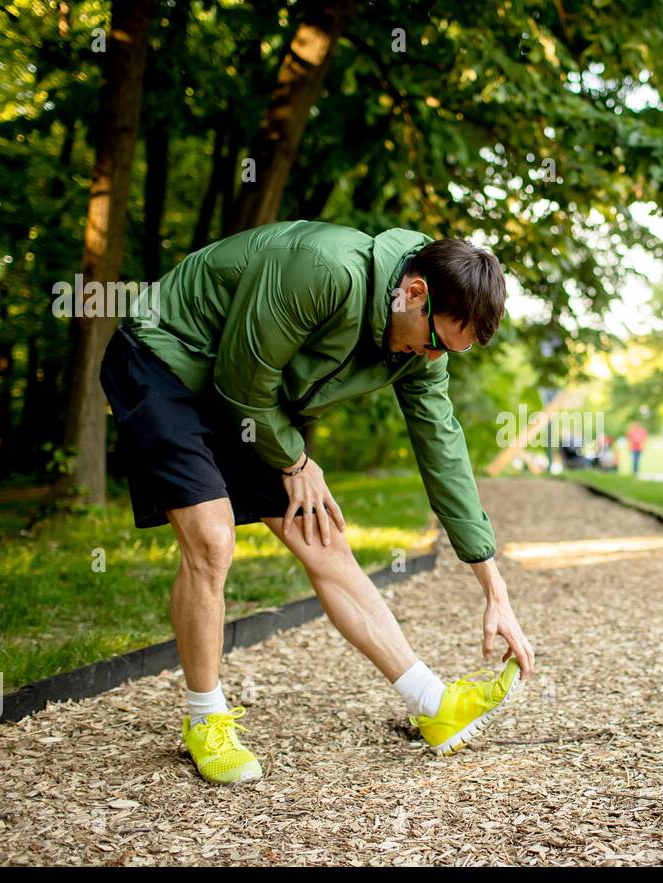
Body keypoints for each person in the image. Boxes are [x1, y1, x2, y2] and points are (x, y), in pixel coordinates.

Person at [99, 221, 535, 783]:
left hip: (251, 399)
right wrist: (296, 461)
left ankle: (434, 705)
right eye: (434, 342)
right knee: (211, 538)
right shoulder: (321, 269)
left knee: (322, 537)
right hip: (166, 358)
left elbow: (442, 448)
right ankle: (205, 719)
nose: (433, 358)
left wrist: (492, 586)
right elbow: (241, 378)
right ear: (417, 292)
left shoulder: (419, 345)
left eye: (447, 352)